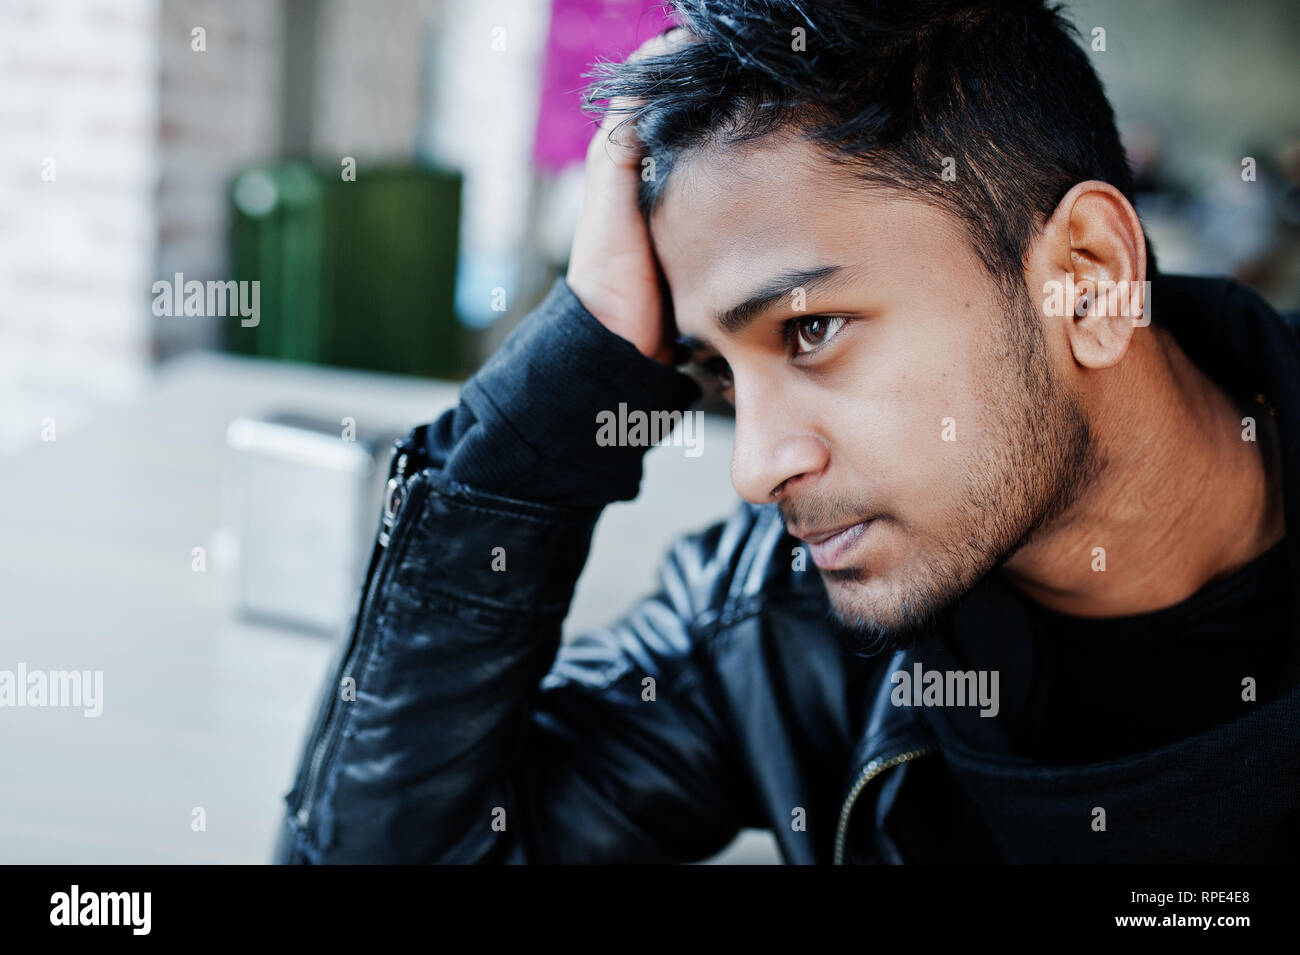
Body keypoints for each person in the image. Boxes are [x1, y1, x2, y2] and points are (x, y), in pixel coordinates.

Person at [273, 0, 1299, 864]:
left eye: (811, 329)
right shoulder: (774, 627)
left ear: (1085, 277)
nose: (757, 470)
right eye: (716, 371)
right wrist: (566, 380)